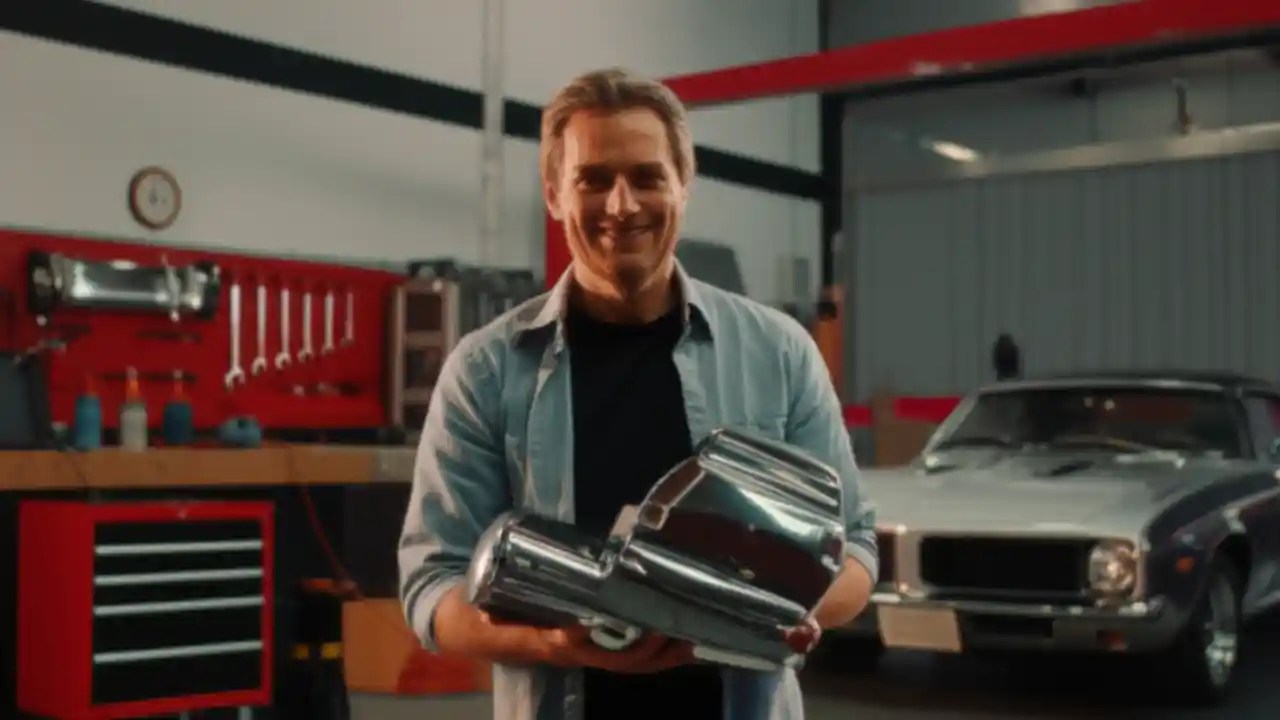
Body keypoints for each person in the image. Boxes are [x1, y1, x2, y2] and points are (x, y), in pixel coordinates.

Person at [398, 67, 879, 720]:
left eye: (647, 176)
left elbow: (852, 549)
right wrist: (550, 643)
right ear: (553, 194)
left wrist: (757, 617)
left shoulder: (779, 352)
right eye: (593, 180)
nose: (621, 205)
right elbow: (433, 584)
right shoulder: (486, 371)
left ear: (684, 184)